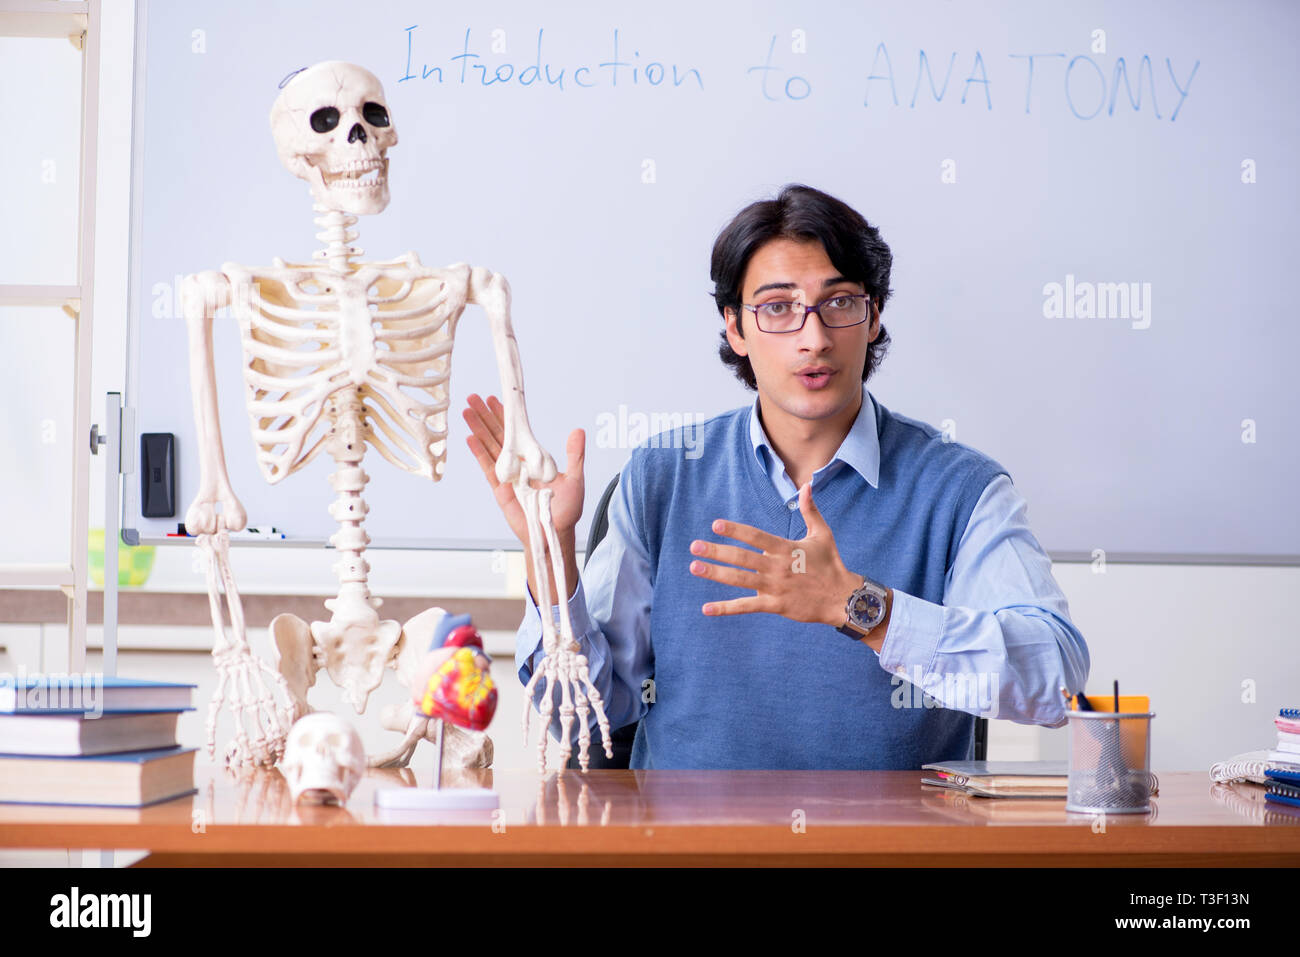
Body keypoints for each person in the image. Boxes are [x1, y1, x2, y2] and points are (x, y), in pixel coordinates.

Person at [463, 184, 1090, 770]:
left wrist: (858, 607)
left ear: (872, 319)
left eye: (839, 303)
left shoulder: (962, 489)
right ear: (735, 329)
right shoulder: (661, 478)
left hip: (888, 852)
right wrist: (549, 552)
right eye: (778, 308)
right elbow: (585, 723)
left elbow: (1056, 680)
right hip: (688, 852)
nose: (813, 338)